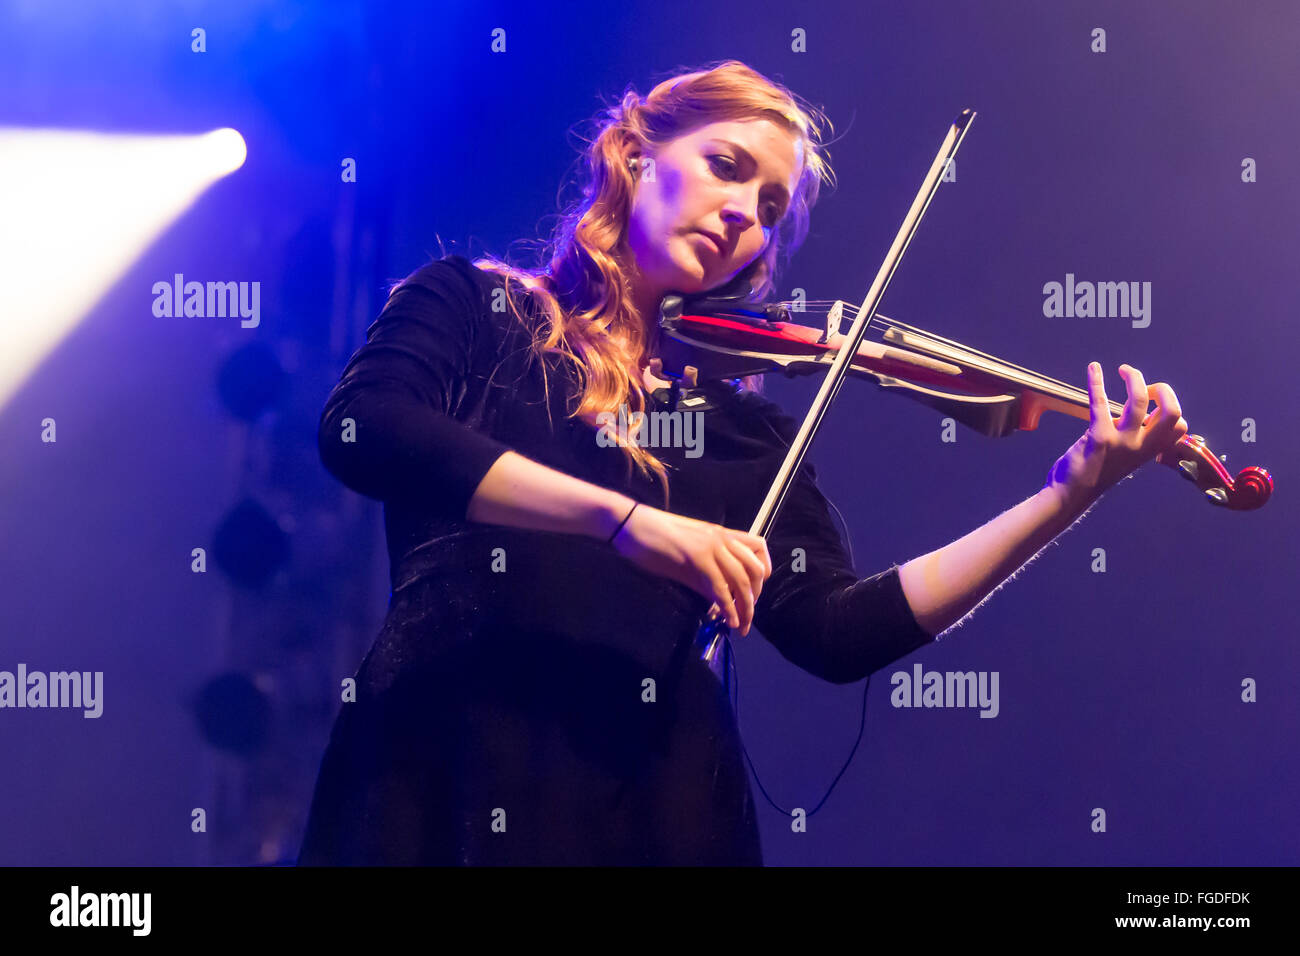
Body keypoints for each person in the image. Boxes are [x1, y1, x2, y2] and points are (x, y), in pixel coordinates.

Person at [296, 60, 1187, 866]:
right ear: (639, 155)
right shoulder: (475, 310)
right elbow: (363, 430)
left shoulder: (740, 430)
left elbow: (841, 632)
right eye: (728, 166)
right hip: (446, 759)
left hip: (657, 801)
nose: (742, 217)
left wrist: (1065, 498)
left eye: (767, 209)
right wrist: (626, 521)